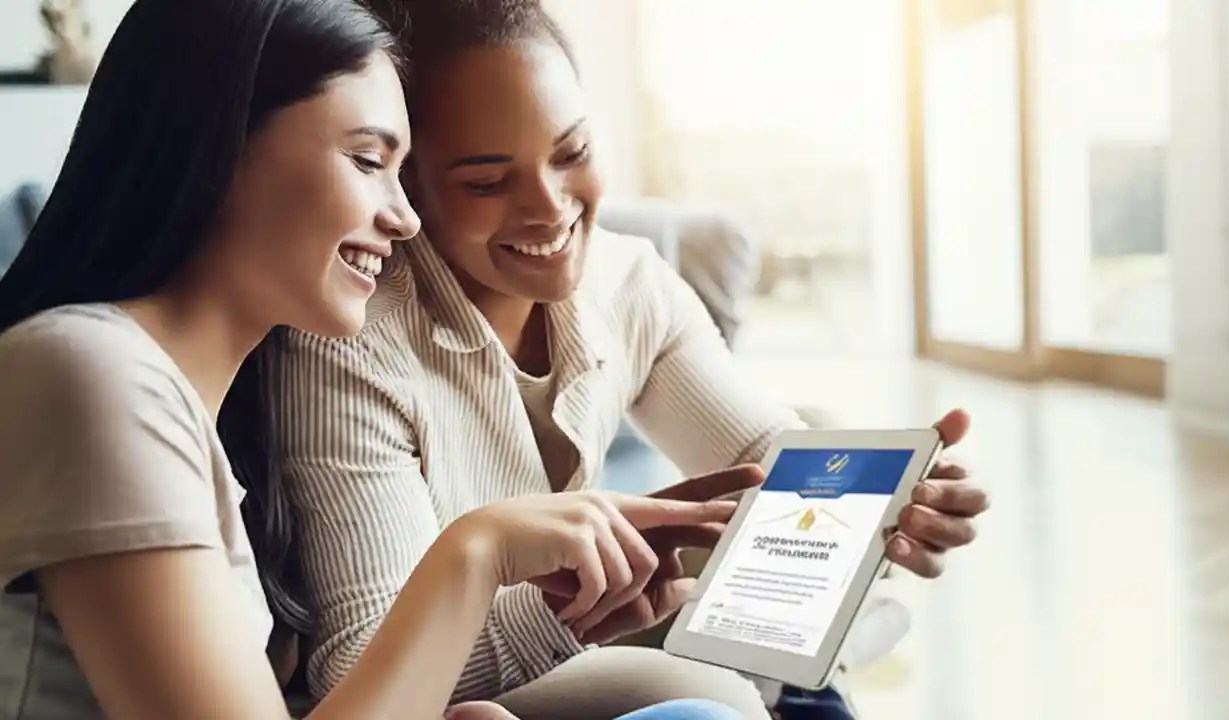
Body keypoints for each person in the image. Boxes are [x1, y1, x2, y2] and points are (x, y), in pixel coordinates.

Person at [0, 1, 746, 719]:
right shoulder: (90, 373)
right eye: (367, 161)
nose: (406, 218)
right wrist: (478, 549)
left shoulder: (204, 419)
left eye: (403, 170)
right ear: (219, 149)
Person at [271, 1, 991, 719]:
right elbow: (362, 667)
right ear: (408, 185)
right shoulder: (353, 339)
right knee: (718, 690)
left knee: (819, 477)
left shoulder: (627, 281)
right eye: (486, 183)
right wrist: (573, 604)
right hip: (439, 678)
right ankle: (800, 679)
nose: (549, 207)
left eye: (572, 152)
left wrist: (896, 505)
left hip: (580, 620)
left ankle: (803, 669)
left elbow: (764, 459)